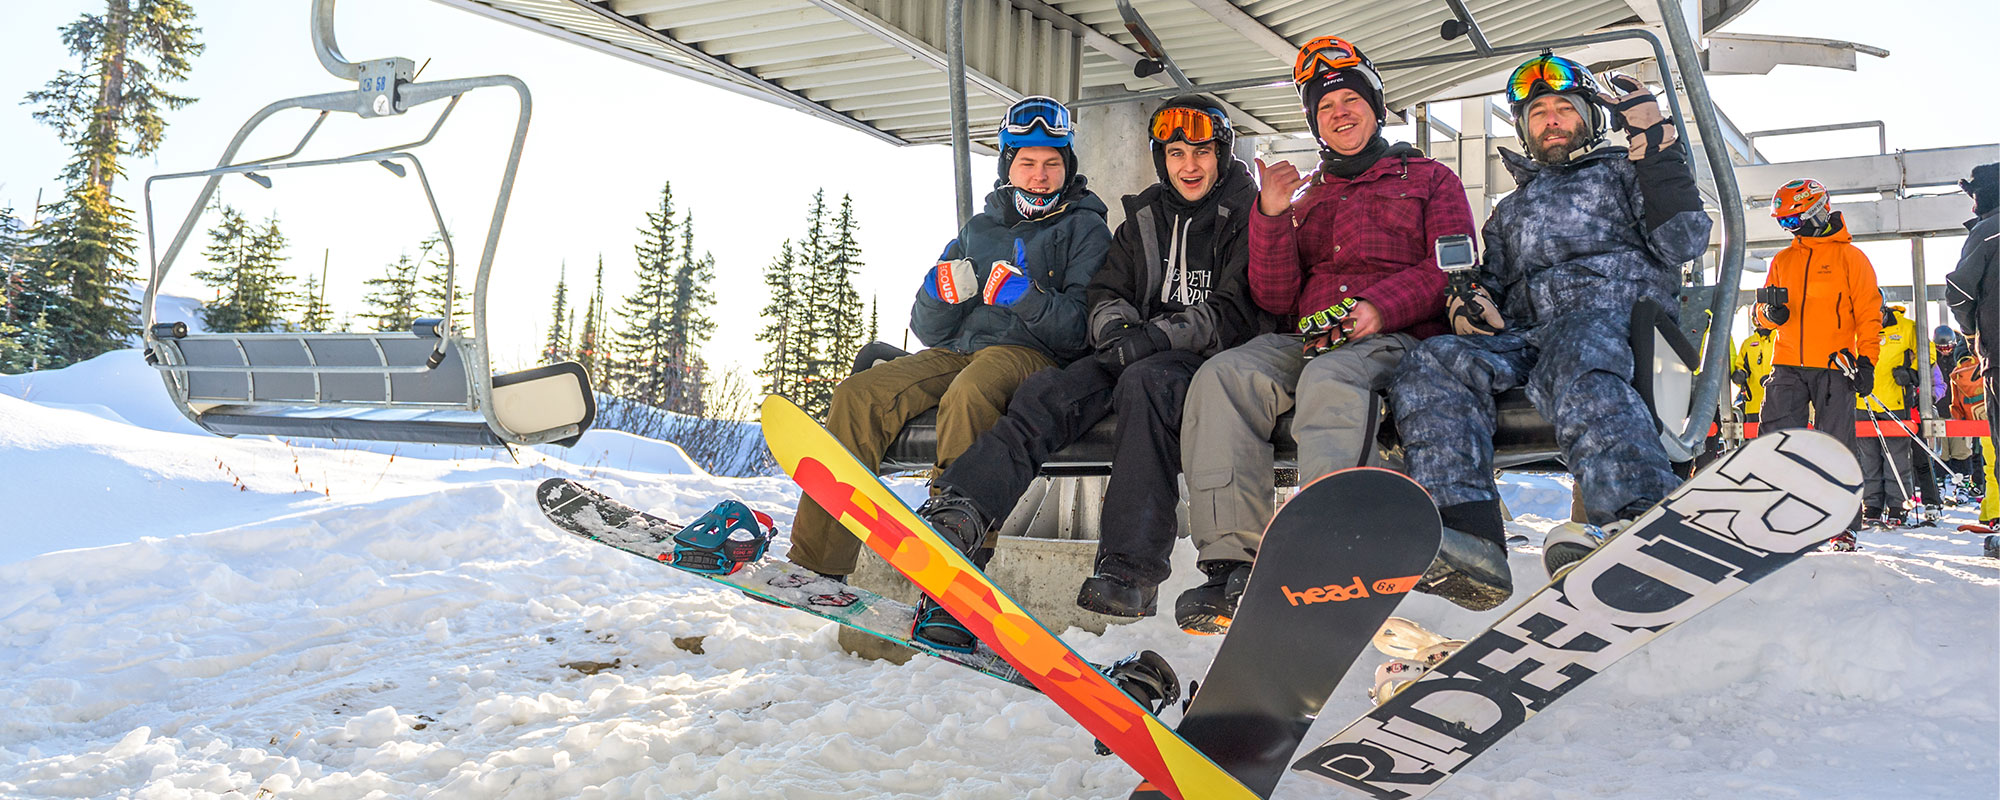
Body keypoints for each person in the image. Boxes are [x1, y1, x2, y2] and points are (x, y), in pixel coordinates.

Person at [912, 95, 1273, 649]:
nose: (1190, 166)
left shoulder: (1245, 215)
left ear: (1222, 156)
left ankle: (1131, 570)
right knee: (1049, 390)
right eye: (1177, 153)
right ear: (1162, 159)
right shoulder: (1145, 218)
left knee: (1144, 386)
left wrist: (1153, 338)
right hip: (1133, 349)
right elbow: (1106, 291)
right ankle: (963, 510)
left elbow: (1236, 308)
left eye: (1202, 152)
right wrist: (1117, 330)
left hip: (1199, 358)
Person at [1172, 36, 1475, 633]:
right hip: (1311, 337)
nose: (1340, 112)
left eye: (1350, 100)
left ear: (1375, 107)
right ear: (1315, 123)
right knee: (1225, 376)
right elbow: (1277, 297)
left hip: (1396, 338)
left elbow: (1453, 267)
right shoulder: (1305, 195)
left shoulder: (1430, 179)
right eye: (1325, 106)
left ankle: (1336, 547)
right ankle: (1231, 562)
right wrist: (1270, 216)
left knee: (1333, 378)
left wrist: (1377, 309)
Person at [1389, 53, 1711, 609]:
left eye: (1565, 107)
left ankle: (1637, 512)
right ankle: (1469, 535)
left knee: (1576, 344)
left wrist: (1654, 146)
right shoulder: (1509, 211)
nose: (1552, 119)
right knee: (1433, 360)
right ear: (1524, 127)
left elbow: (1683, 240)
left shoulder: (1627, 174)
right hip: (1535, 338)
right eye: (1538, 112)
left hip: (1620, 326)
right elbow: (1490, 281)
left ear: (1591, 117)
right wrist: (1471, 301)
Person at [781, 97, 1111, 636]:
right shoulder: (979, 229)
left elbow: (1080, 329)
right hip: (960, 348)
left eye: (1052, 163)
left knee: (972, 393)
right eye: (1027, 162)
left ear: (1067, 167)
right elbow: (929, 328)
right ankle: (819, 560)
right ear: (1008, 165)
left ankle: (955, 576)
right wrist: (938, 294)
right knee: (859, 395)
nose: (1040, 175)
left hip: (1032, 354)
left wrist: (1027, 299)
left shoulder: (1086, 230)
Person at [1754, 177, 1883, 548]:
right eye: (1783, 224)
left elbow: (1868, 315)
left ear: (1815, 211)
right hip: (1787, 364)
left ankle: (1841, 522)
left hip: (1834, 366)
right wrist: (1768, 315)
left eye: (1792, 222)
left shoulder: (1851, 258)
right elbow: (1760, 313)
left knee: (1835, 445)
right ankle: (1775, 516)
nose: (1789, 230)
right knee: (1777, 441)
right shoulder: (1783, 259)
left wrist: (1867, 361)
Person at [1854, 305, 1920, 528]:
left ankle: (1898, 504)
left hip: (1895, 402)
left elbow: (1927, 353)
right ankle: (1871, 504)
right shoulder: (1856, 328)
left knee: (1896, 457)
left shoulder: (1906, 327)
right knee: (1868, 458)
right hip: (1862, 402)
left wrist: (1911, 372)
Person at [1731, 325, 1775, 420]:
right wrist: (1739, 374)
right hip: (1754, 405)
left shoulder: (1780, 339)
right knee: (1755, 433)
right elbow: (1741, 365)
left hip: (1779, 404)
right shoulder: (1748, 343)